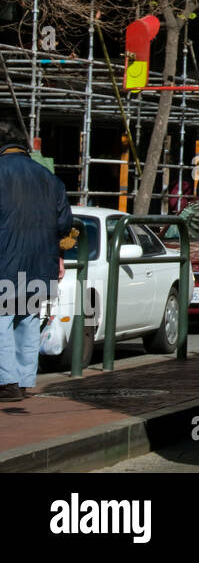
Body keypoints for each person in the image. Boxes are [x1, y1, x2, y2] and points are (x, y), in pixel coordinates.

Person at [0, 120, 73, 400]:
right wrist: (59, 257)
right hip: (40, 263)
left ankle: (6, 382)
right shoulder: (48, 177)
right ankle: (24, 378)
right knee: (28, 318)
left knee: (3, 319)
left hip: (5, 260)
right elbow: (65, 224)